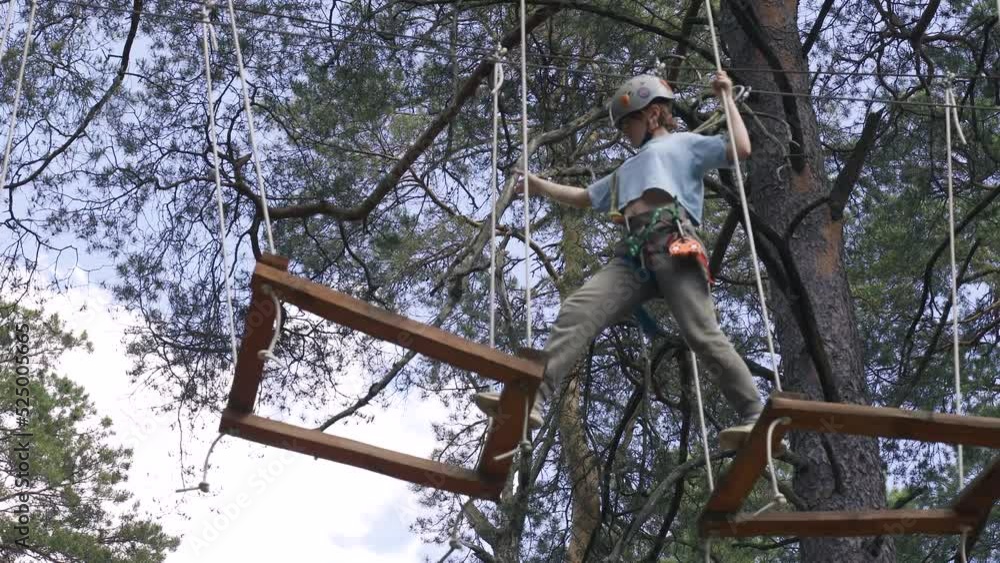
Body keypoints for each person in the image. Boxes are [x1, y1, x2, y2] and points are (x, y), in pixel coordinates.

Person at [474, 71, 765, 451]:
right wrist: (539, 185)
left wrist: (726, 97)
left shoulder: (685, 144)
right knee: (578, 309)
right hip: (634, 255)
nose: (624, 132)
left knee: (702, 333)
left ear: (653, 115)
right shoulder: (628, 169)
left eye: (628, 123)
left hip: (673, 242)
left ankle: (755, 413)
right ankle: (534, 398)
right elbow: (584, 197)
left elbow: (740, 148)